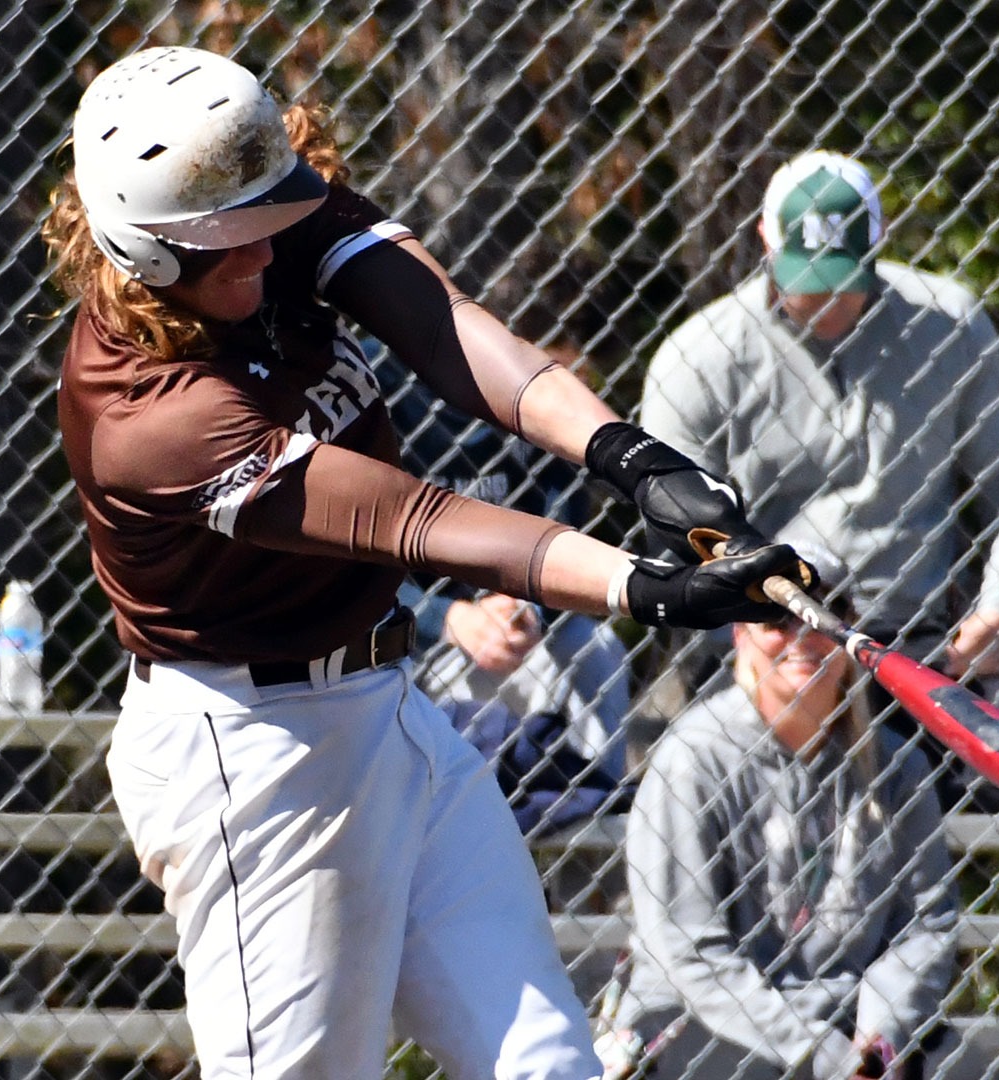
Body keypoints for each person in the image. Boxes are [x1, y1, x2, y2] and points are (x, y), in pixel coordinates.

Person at [43, 46, 811, 1079]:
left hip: (389, 709)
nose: (263, 257)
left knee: (549, 1061)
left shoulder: (254, 208)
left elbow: (443, 327)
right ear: (148, 253)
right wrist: (638, 584)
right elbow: (416, 521)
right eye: (229, 248)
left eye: (272, 226)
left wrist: (630, 456)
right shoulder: (149, 419)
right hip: (252, 755)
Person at [637, 149, 999, 800]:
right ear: (764, 243)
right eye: (808, 278)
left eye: (844, 277)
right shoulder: (699, 358)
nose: (828, 299)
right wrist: (757, 628)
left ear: (879, 247)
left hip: (917, 646)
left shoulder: (948, 326)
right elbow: (671, 532)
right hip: (764, 646)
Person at [597, 597, 957, 1080]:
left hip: (851, 1026)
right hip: (709, 1027)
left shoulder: (896, 767)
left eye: (823, 619)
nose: (803, 636)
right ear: (739, 635)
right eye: (776, 621)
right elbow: (689, 952)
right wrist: (826, 1058)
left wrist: (874, 1046)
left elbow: (925, 927)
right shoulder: (693, 758)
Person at [367, 340, 633, 831]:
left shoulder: (515, 377)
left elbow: (564, 524)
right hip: (411, 636)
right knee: (464, 685)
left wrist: (529, 609)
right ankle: (459, 830)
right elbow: (354, 553)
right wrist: (444, 617)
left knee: (595, 647)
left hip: (518, 615)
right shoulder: (372, 376)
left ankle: (586, 823)